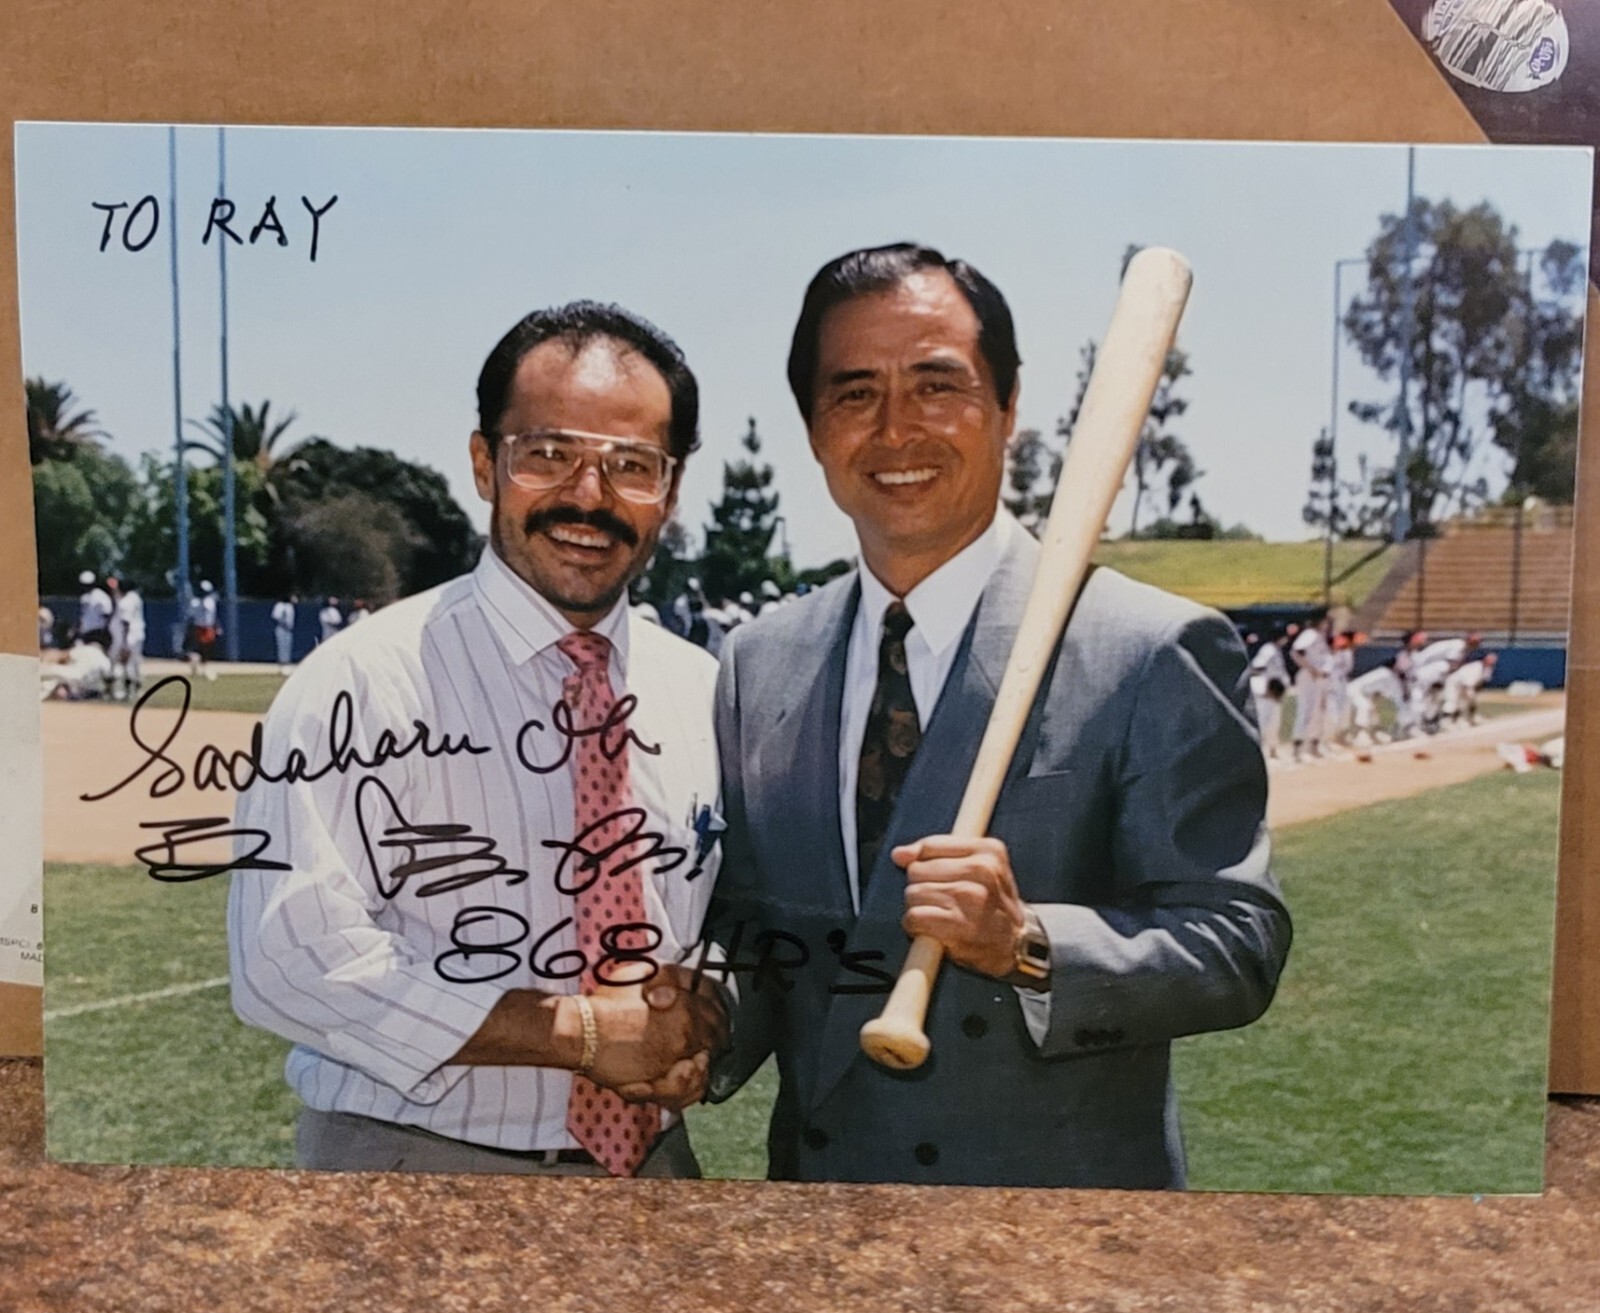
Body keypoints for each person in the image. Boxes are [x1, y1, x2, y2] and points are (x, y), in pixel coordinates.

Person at [705, 243, 1290, 1188]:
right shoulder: (758, 661)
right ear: (814, 428)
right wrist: (705, 1013)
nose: (897, 429)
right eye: (854, 394)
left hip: (1056, 1226)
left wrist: (1024, 941)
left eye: (938, 385)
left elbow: (1236, 942)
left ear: (1009, 406)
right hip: (819, 1222)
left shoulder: (1148, 648)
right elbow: (763, 933)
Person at [229, 301, 726, 1178]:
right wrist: (574, 1033)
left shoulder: (705, 689)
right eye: (549, 454)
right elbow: (286, 957)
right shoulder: (361, 681)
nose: (588, 495)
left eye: (632, 466)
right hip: (416, 1164)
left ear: (672, 490)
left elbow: (726, 916)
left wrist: (702, 1017)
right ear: (484, 463)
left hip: (650, 1169)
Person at [1248, 631, 1291, 760]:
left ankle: (1272, 751)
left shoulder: (1275, 650)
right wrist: (1267, 688)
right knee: (1262, 723)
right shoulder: (1268, 649)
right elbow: (1257, 667)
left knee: (1274, 723)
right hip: (1266, 694)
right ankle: (1255, 753)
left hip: (1274, 693)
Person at [106, 576, 146, 701]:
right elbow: (117, 595)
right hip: (138, 634)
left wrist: (124, 643)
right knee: (134, 663)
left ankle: (125, 693)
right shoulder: (135, 597)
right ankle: (136, 691)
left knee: (120, 663)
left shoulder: (125, 603)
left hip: (126, 637)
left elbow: (125, 623)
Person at [186, 580, 220, 681]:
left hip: (200, 626)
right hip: (204, 627)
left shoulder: (195, 602)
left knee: (200, 649)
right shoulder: (208, 602)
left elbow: (190, 615)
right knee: (204, 650)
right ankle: (203, 668)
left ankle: (197, 665)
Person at [75, 570, 113, 650]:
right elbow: (83, 615)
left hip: (97, 632)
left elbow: (107, 614)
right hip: (85, 631)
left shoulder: (101, 596)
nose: (86, 587)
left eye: (88, 585)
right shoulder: (84, 597)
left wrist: (105, 631)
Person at [271, 593, 298, 674]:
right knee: (281, 645)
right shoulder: (280, 605)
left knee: (287, 645)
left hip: (288, 628)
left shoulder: (290, 607)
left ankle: (287, 661)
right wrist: (283, 620)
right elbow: (275, 616)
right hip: (281, 627)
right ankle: (282, 662)